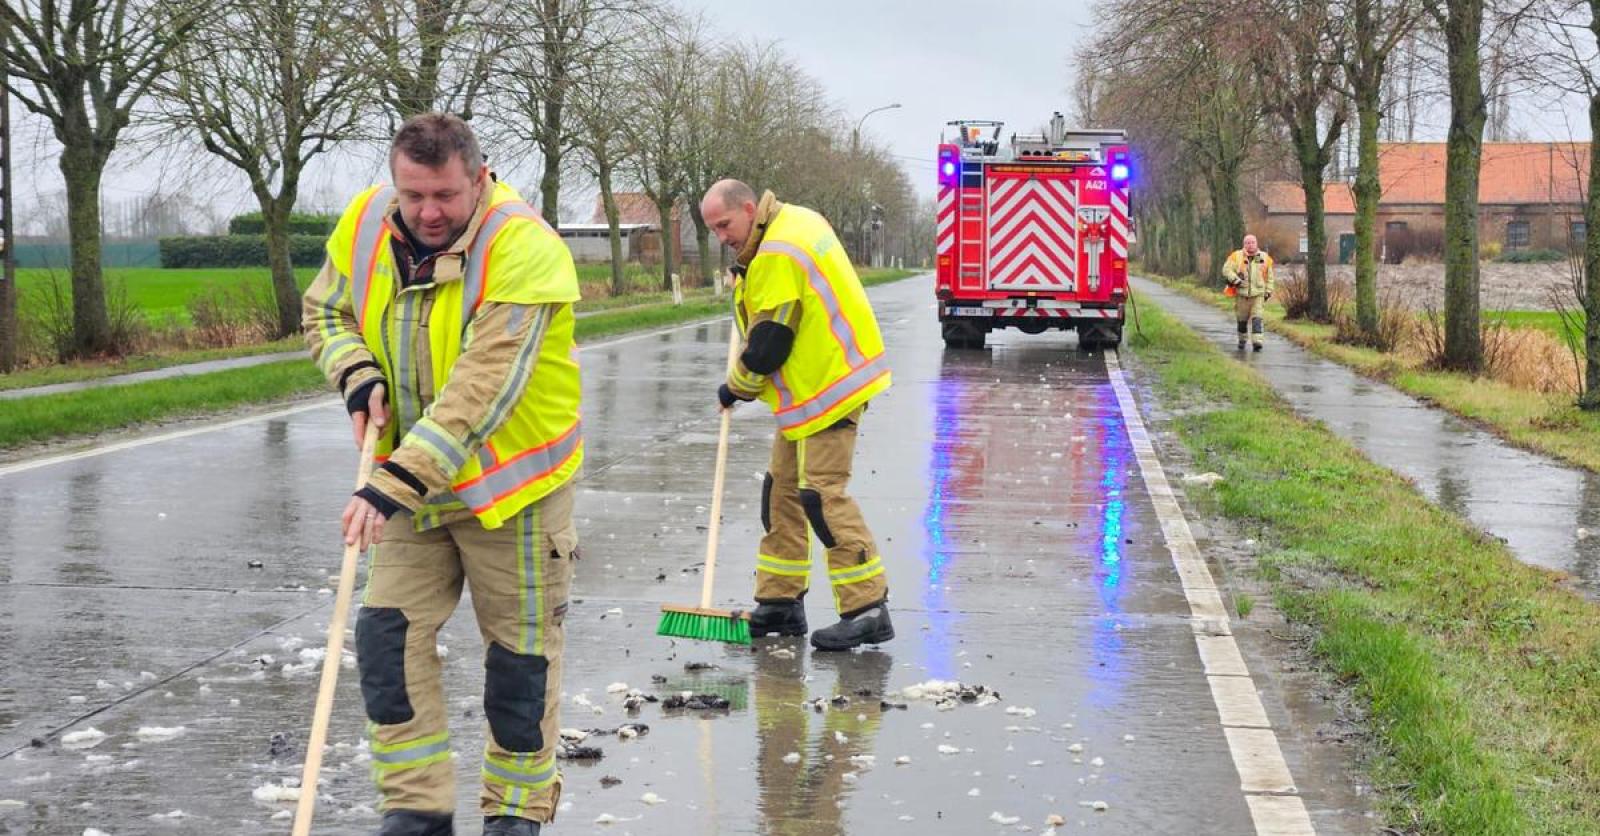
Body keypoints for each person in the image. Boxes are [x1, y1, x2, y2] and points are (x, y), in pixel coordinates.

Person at [302, 112, 583, 836]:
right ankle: (417, 806)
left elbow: (481, 391)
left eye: (446, 197)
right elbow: (325, 311)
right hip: (409, 483)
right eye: (412, 194)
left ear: (479, 180)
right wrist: (355, 371)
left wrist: (390, 483)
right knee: (386, 641)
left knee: (519, 661)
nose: (428, 212)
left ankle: (516, 810)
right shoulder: (367, 223)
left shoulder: (525, 246)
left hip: (509, 490)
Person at [699, 178, 894, 652]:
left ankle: (867, 608)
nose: (721, 236)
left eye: (725, 224)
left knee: (820, 496)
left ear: (748, 208)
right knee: (781, 492)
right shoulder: (792, 221)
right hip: (809, 390)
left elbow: (768, 345)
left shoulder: (777, 252)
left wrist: (734, 389)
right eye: (714, 229)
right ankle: (780, 604)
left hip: (830, 385)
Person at [1222, 234, 1275, 351]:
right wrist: (1235, 279)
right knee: (1242, 320)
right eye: (1247, 243)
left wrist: (1268, 291)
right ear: (1244, 244)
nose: (1250, 245)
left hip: (1258, 295)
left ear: (1256, 244)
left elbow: (1270, 277)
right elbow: (1226, 269)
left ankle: (1257, 342)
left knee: (1257, 318)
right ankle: (1242, 339)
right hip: (1242, 295)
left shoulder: (1264, 258)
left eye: (1252, 242)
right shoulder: (1236, 256)